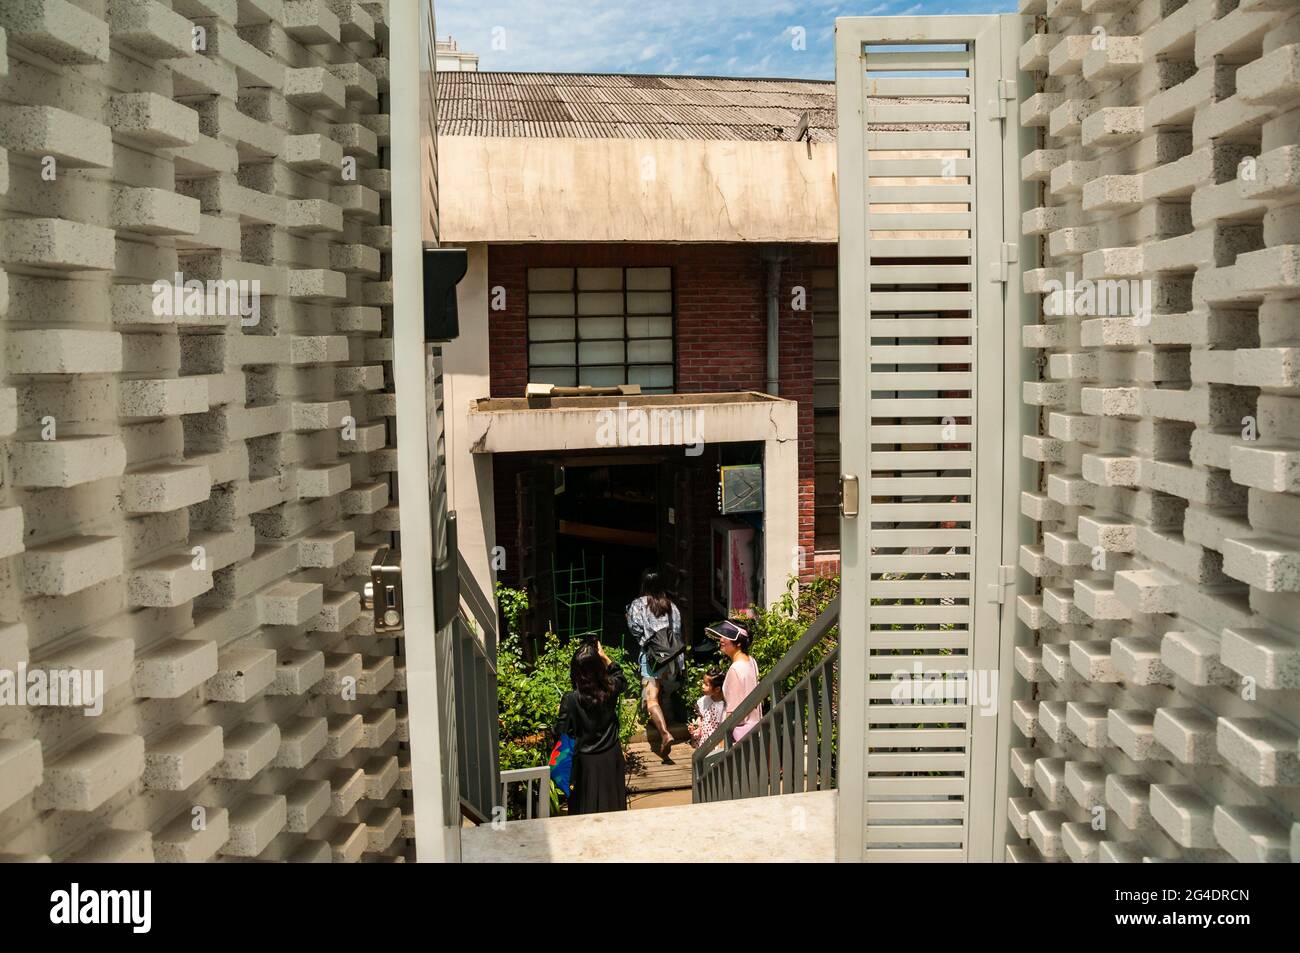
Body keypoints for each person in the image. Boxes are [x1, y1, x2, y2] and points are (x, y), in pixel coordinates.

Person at [554, 638, 628, 815]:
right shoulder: (610, 688)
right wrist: (605, 658)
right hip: (611, 756)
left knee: (585, 807)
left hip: (585, 763)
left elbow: (560, 733)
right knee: (613, 803)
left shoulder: (570, 700)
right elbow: (620, 677)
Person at [626, 568, 684, 763]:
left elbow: (635, 630)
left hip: (652, 659)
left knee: (651, 699)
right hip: (673, 658)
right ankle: (670, 719)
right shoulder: (672, 607)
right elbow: (676, 631)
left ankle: (665, 732)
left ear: (643, 585)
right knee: (665, 692)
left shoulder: (638, 605)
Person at [715, 620, 760, 743]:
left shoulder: (735, 669)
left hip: (739, 734)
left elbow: (732, 710)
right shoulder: (751, 661)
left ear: (739, 642)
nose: (721, 639)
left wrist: (722, 741)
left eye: (727, 636)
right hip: (755, 728)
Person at [687, 667, 726, 755]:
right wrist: (695, 728)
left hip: (717, 741)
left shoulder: (725, 705)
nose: (702, 686)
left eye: (706, 684)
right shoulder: (703, 701)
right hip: (703, 741)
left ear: (717, 689)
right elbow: (700, 720)